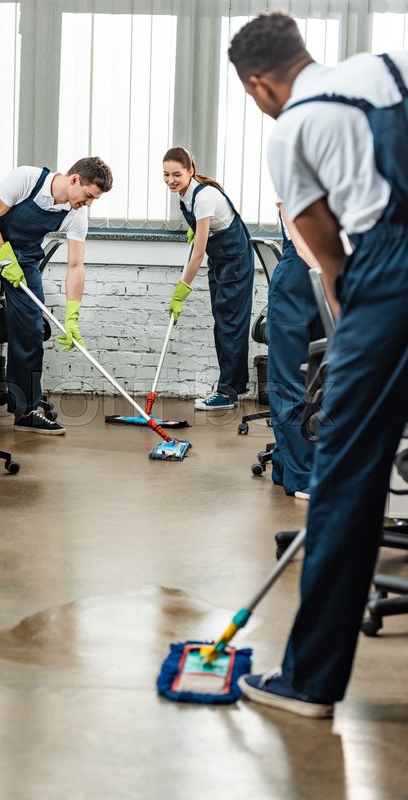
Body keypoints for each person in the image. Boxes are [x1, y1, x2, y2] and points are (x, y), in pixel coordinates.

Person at [228, 13, 408, 717]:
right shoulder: (387, 67)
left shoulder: (291, 129)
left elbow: (331, 263)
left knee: (345, 472)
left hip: (388, 272)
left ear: (259, 83)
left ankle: (309, 680)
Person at [0, 158, 113, 434]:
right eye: (88, 195)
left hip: (25, 259)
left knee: (31, 330)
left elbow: (75, 265)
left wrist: (72, 315)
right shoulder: (25, 179)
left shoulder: (76, 214)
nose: (89, 203)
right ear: (74, 180)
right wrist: (3, 257)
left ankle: (25, 411)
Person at [163, 147, 254, 410]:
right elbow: (203, 237)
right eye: (166, 175)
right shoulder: (185, 194)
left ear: (190, 171)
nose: (171, 180)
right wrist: (199, 231)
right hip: (222, 257)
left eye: (176, 174)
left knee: (230, 324)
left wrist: (181, 291)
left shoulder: (202, 198)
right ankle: (232, 386)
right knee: (224, 322)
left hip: (234, 259)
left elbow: (198, 255)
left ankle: (227, 393)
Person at [267, 205, 324, 500]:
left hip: (321, 278)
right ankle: (301, 477)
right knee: (290, 379)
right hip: (300, 280)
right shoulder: (294, 171)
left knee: (316, 379)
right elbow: (302, 241)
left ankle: (283, 467)